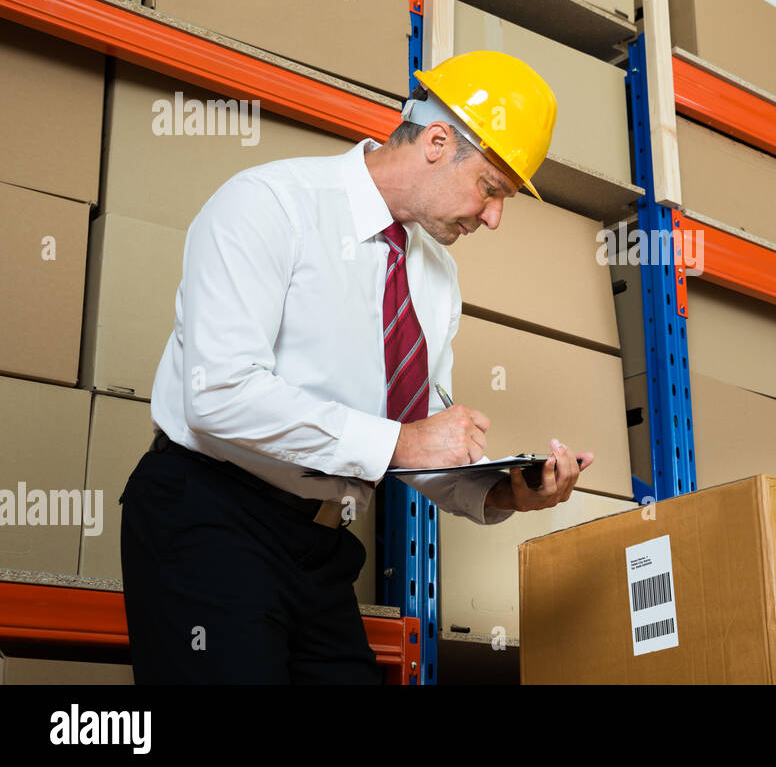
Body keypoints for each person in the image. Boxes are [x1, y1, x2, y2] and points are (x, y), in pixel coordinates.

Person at [120, 50, 594, 683]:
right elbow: (219, 394)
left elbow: (411, 445)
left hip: (320, 546)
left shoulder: (436, 277)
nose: (494, 217)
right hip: (210, 516)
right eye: (490, 188)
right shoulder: (269, 205)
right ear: (435, 141)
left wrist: (507, 488)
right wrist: (404, 439)